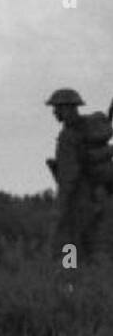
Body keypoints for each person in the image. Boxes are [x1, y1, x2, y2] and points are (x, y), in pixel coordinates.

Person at [45, 88, 109, 262]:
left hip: (77, 201)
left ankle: (71, 279)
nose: (54, 112)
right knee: (94, 246)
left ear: (68, 108)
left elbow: (69, 178)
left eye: (57, 108)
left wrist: (60, 209)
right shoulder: (87, 130)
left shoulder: (68, 137)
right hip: (96, 197)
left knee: (67, 242)